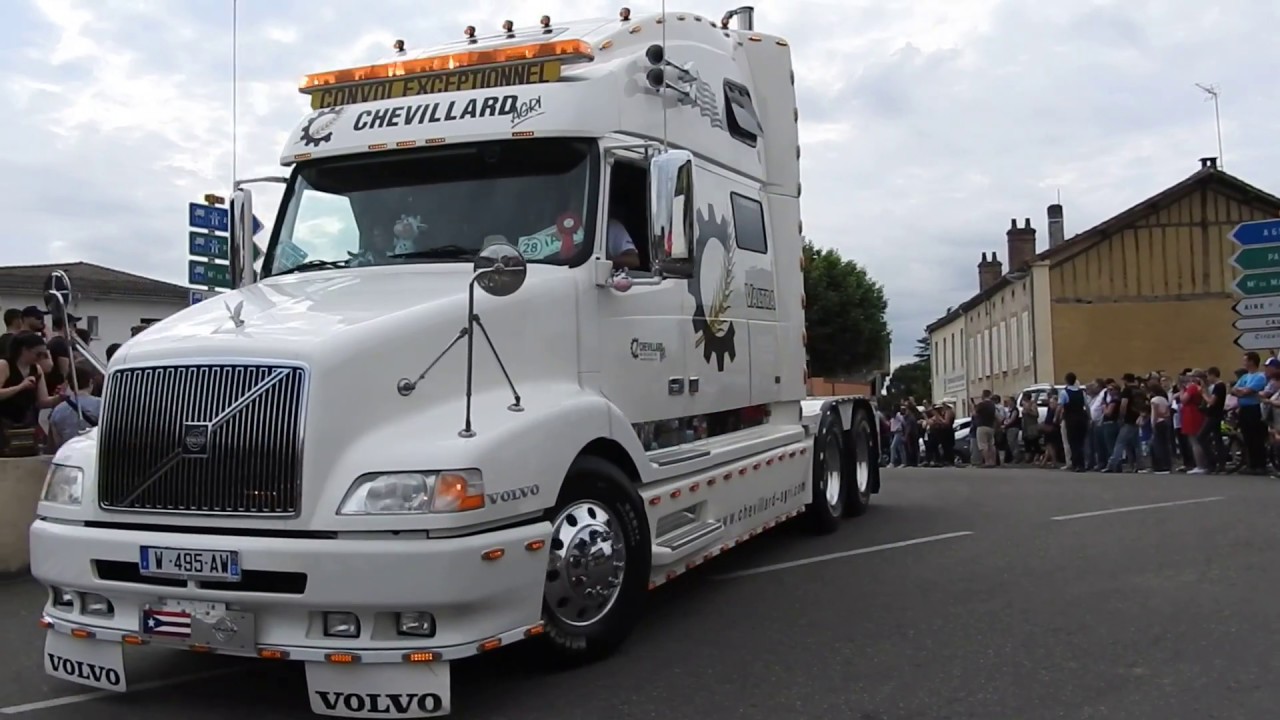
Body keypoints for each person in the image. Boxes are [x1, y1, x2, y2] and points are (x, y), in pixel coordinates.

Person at [0, 332, 58, 456]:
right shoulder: (5, 365)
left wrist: (60, 398)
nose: (40, 358)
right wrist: (20, 387)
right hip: (4, 421)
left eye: (44, 354)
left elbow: (42, 401)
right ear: (24, 350)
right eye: (38, 354)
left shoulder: (36, 369)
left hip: (27, 423)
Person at [48, 362, 101, 452]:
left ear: (69, 383)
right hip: (94, 453)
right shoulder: (102, 405)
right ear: (91, 382)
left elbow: (55, 444)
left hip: (69, 455)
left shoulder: (57, 411)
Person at [1232, 352, 1269, 474]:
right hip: (1244, 409)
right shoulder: (1244, 377)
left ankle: (1260, 465)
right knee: (1247, 437)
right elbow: (1233, 390)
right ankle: (1251, 465)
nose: (1244, 363)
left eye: (1245, 360)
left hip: (1254, 408)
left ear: (1252, 361)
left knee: (1256, 437)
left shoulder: (1260, 377)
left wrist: (1242, 391)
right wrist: (1240, 391)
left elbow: (1247, 391)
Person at [1058, 373, 1088, 472]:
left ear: (1066, 380)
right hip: (1081, 418)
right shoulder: (1081, 392)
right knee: (1080, 442)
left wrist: (1057, 417)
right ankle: (1081, 463)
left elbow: (1060, 406)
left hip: (1071, 419)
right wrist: (1089, 417)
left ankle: (1076, 464)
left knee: (1073, 442)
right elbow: (1086, 406)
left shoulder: (1064, 393)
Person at [973, 391, 998, 468]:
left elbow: (974, 414)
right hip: (990, 426)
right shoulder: (992, 405)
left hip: (982, 426)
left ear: (983, 395)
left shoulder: (982, 404)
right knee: (991, 444)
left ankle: (987, 461)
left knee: (983, 445)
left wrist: (973, 408)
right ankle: (993, 461)